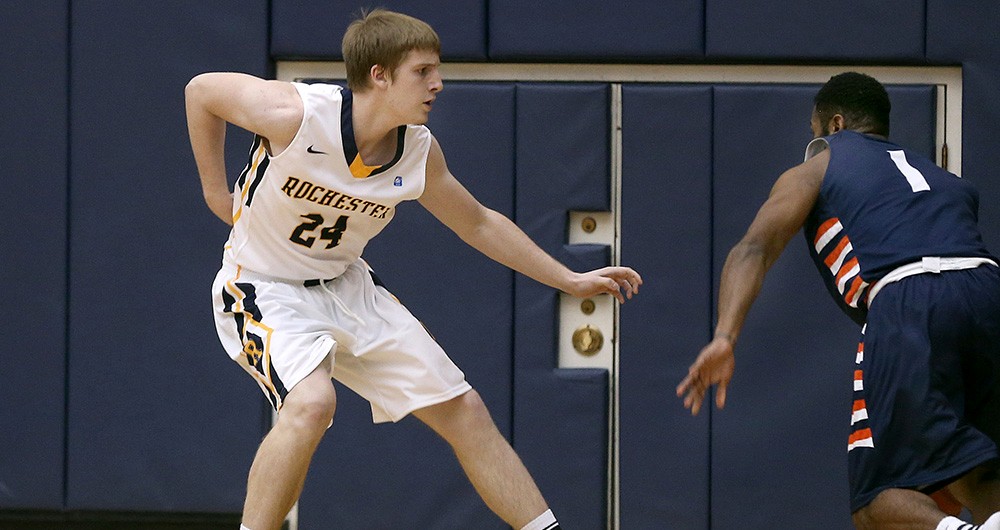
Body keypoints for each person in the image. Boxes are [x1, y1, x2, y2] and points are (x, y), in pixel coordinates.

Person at [184, 9, 641, 530]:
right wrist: (213, 190)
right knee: (312, 404)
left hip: (348, 286)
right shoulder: (296, 114)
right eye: (423, 71)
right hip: (262, 286)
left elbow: (480, 224)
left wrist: (569, 279)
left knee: (464, 410)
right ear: (379, 75)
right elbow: (201, 91)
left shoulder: (418, 153)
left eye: (436, 69)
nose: (438, 83)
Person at [675, 72, 1000, 529]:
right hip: (989, 291)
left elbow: (753, 248)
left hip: (910, 298)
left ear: (835, 125)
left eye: (814, 131)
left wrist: (726, 336)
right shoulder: (940, 176)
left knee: (874, 503)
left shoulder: (818, 167)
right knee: (978, 475)